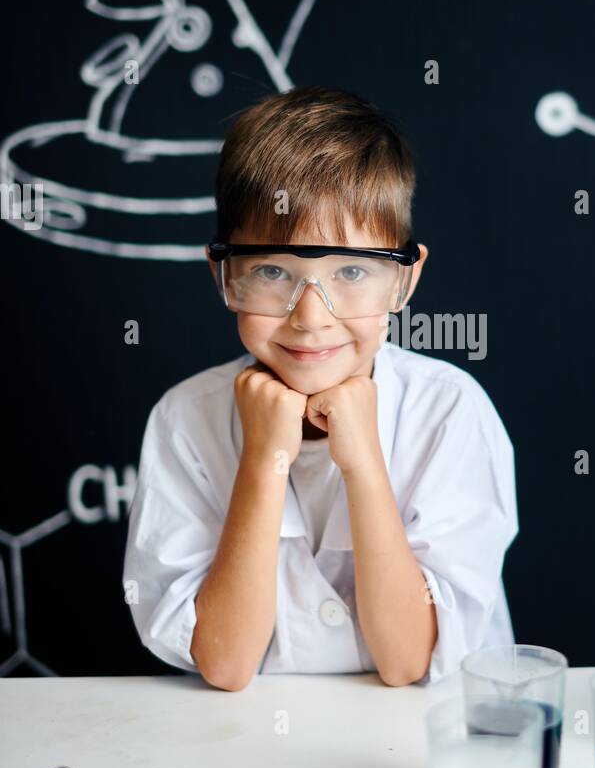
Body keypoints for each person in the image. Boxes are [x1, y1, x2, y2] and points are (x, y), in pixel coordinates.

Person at [123, 86, 517, 689]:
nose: (311, 316)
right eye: (274, 271)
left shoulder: (449, 411)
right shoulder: (184, 420)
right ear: (224, 274)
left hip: (424, 746)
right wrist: (264, 458)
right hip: (245, 750)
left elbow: (409, 661)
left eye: (352, 272)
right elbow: (225, 664)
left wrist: (363, 462)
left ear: (402, 282)